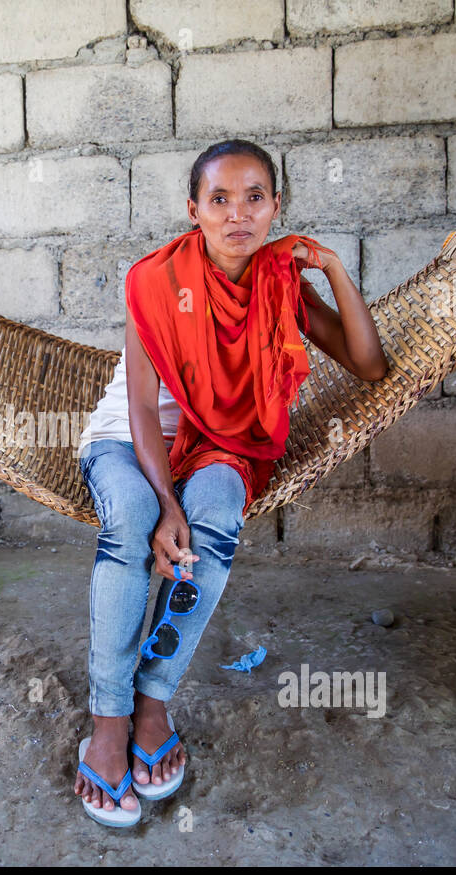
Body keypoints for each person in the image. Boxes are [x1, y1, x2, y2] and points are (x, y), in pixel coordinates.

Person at [72, 139, 389, 826]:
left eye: (255, 197)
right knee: (127, 521)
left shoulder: (281, 286)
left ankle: (152, 704)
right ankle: (107, 721)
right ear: (194, 209)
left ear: (276, 207)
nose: (237, 213)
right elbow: (137, 407)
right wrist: (162, 504)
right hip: (131, 444)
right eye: (219, 199)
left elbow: (369, 366)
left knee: (212, 526)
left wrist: (332, 267)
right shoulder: (154, 280)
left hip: (222, 446)